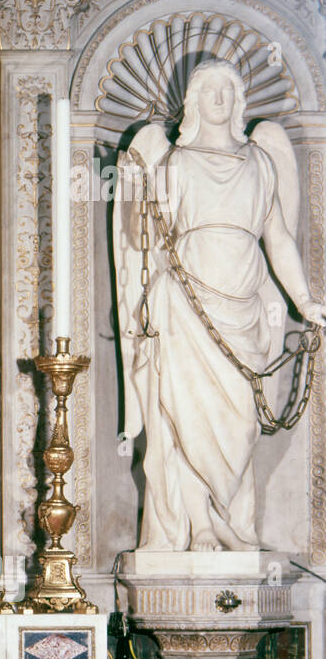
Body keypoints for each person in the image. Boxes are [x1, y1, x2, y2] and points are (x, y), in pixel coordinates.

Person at [116, 59, 326, 551]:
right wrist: (137, 193)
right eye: (208, 89)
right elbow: (141, 237)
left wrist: (304, 299)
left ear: (238, 101)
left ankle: (231, 519)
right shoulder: (176, 162)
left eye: (227, 89)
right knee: (185, 413)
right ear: (192, 101)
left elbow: (278, 238)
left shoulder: (260, 162)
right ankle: (201, 525)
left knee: (241, 422)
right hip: (187, 303)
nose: (218, 98)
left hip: (245, 307)